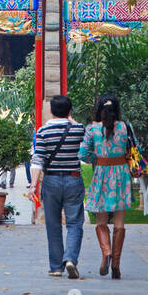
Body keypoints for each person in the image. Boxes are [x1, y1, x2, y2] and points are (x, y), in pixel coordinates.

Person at [29, 94, 86, 278]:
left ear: (51, 111)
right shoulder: (78, 129)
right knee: (74, 222)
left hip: (51, 181)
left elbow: (38, 160)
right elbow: (86, 149)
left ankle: (55, 266)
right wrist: (71, 119)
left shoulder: (43, 132)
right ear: (69, 111)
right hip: (73, 179)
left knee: (53, 224)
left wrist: (32, 186)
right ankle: (70, 258)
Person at [79, 94, 132, 279]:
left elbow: (83, 154)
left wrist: (98, 159)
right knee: (119, 222)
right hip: (121, 175)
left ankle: (106, 253)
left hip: (102, 174)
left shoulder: (92, 129)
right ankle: (116, 264)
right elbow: (133, 149)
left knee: (101, 220)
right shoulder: (125, 127)